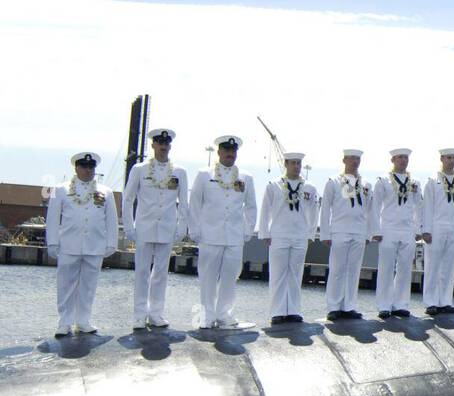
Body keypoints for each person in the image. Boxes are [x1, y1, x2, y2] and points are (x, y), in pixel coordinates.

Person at [46, 152, 118, 337]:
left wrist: (111, 243)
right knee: (65, 284)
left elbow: (111, 220)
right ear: (76, 168)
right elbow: (53, 219)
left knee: (89, 285)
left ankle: (83, 320)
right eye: (84, 167)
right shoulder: (61, 189)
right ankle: (64, 322)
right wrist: (52, 242)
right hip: (69, 244)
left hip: (95, 245)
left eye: (91, 167)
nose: (88, 170)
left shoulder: (105, 192)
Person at [189, 135, 258, 328]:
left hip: (234, 236)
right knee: (207, 278)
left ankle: (225, 314)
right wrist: (194, 228)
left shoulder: (246, 177)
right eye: (226, 150)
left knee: (230, 276)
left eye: (233, 151)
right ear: (219, 152)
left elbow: (251, 206)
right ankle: (206, 316)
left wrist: (248, 230)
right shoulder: (204, 174)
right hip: (210, 235)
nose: (230, 154)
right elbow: (194, 203)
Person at [122, 127, 187, 329]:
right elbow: (128, 198)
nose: (163, 147)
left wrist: (182, 227)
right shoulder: (140, 169)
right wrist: (129, 226)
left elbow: (183, 202)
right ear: (153, 145)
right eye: (160, 143)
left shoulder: (179, 172)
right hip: (144, 227)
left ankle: (156, 313)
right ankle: (139, 314)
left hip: (166, 228)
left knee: (161, 272)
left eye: (166, 144)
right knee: (141, 271)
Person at [258, 153, 319, 324]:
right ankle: (277, 311)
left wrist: (310, 234)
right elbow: (265, 210)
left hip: (300, 235)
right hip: (279, 234)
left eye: (299, 163)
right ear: (285, 164)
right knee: (278, 274)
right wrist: (264, 233)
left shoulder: (309, 187)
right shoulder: (274, 186)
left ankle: (293, 310)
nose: (297, 166)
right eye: (293, 163)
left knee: (295, 274)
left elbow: (314, 211)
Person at [320, 149, 372, 321]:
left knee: (353, 270)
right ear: (344, 160)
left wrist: (369, 233)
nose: (355, 162)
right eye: (351, 158)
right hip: (340, 230)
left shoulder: (365, 184)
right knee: (337, 269)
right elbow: (326, 208)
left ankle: (349, 306)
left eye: (357, 159)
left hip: (358, 231)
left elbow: (369, 210)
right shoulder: (334, 182)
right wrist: (325, 233)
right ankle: (334, 306)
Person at [373, 147, 422, 319]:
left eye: (405, 157)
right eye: (400, 157)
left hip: (407, 230)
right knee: (386, 268)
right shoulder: (383, 181)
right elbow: (375, 207)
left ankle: (401, 303)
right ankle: (384, 305)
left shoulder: (414, 182)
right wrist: (376, 230)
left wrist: (417, 229)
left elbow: (419, 207)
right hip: (388, 229)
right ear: (393, 160)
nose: (403, 160)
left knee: (405, 268)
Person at [422, 148, 454, 315]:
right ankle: (431, 302)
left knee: (449, 267)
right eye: (449, 157)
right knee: (433, 266)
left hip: (453, 228)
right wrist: (426, 230)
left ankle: (445, 301)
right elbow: (427, 207)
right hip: (437, 227)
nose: (452, 160)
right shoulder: (432, 182)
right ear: (442, 158)